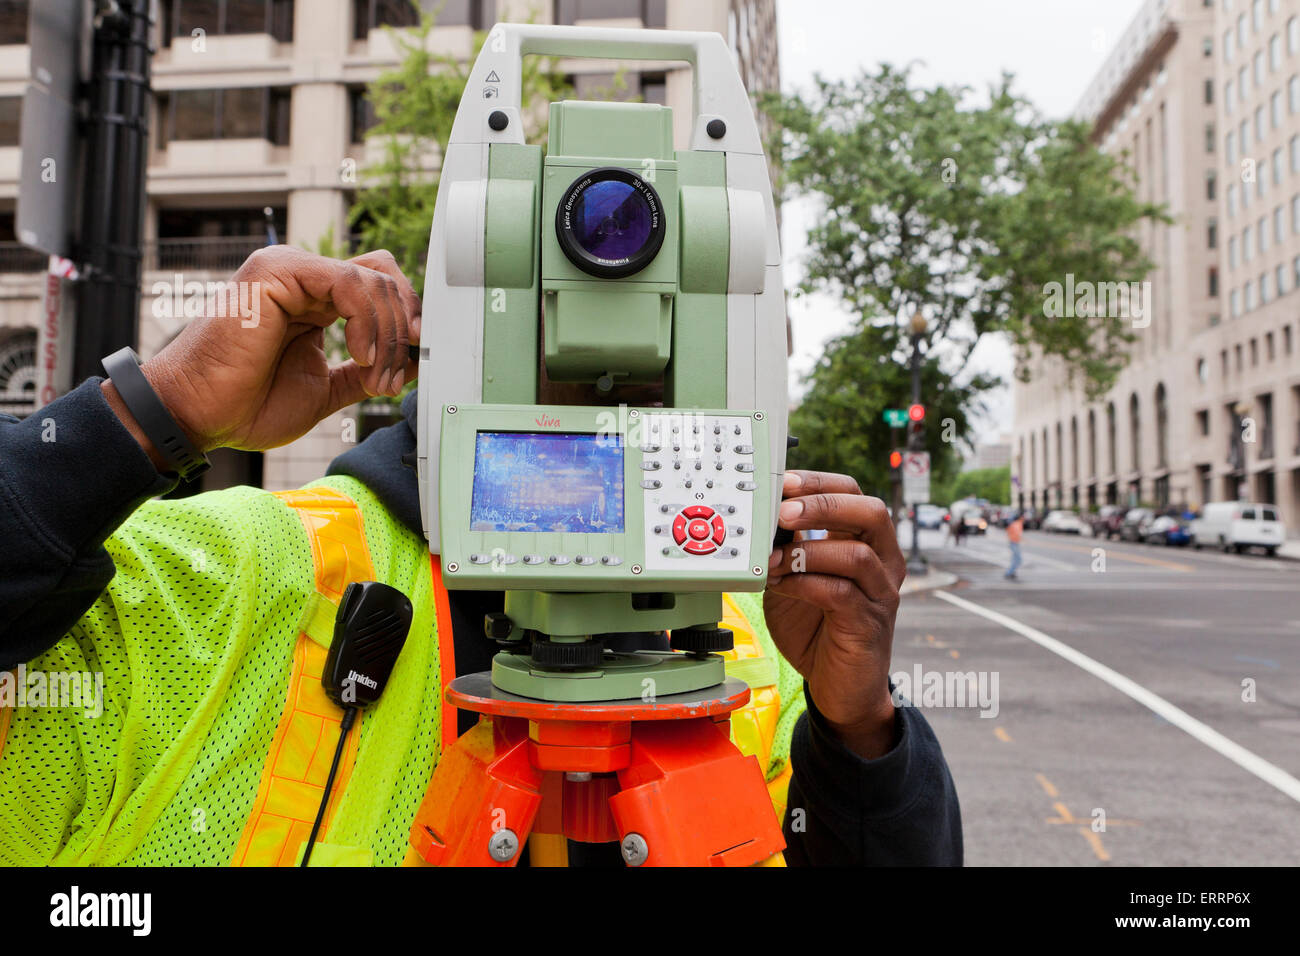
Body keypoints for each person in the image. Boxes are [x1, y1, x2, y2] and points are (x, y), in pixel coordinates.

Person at [0, 246, 961, 867]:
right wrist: (155, 410)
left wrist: (861, 734)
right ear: (454, 344)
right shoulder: (236, 582)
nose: (628, 395)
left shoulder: (756, 656)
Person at [1005, 511, 1024, 580]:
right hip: (1014, 543)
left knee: (1015, 559)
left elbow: (1009, 531)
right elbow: (1016, 532)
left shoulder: (1017, 523)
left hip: (1014, 542)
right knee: (1018, 559)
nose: (1023, 519)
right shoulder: (1017, 524)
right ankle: (1009, 572)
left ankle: (1011, 572)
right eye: (1022, 517)